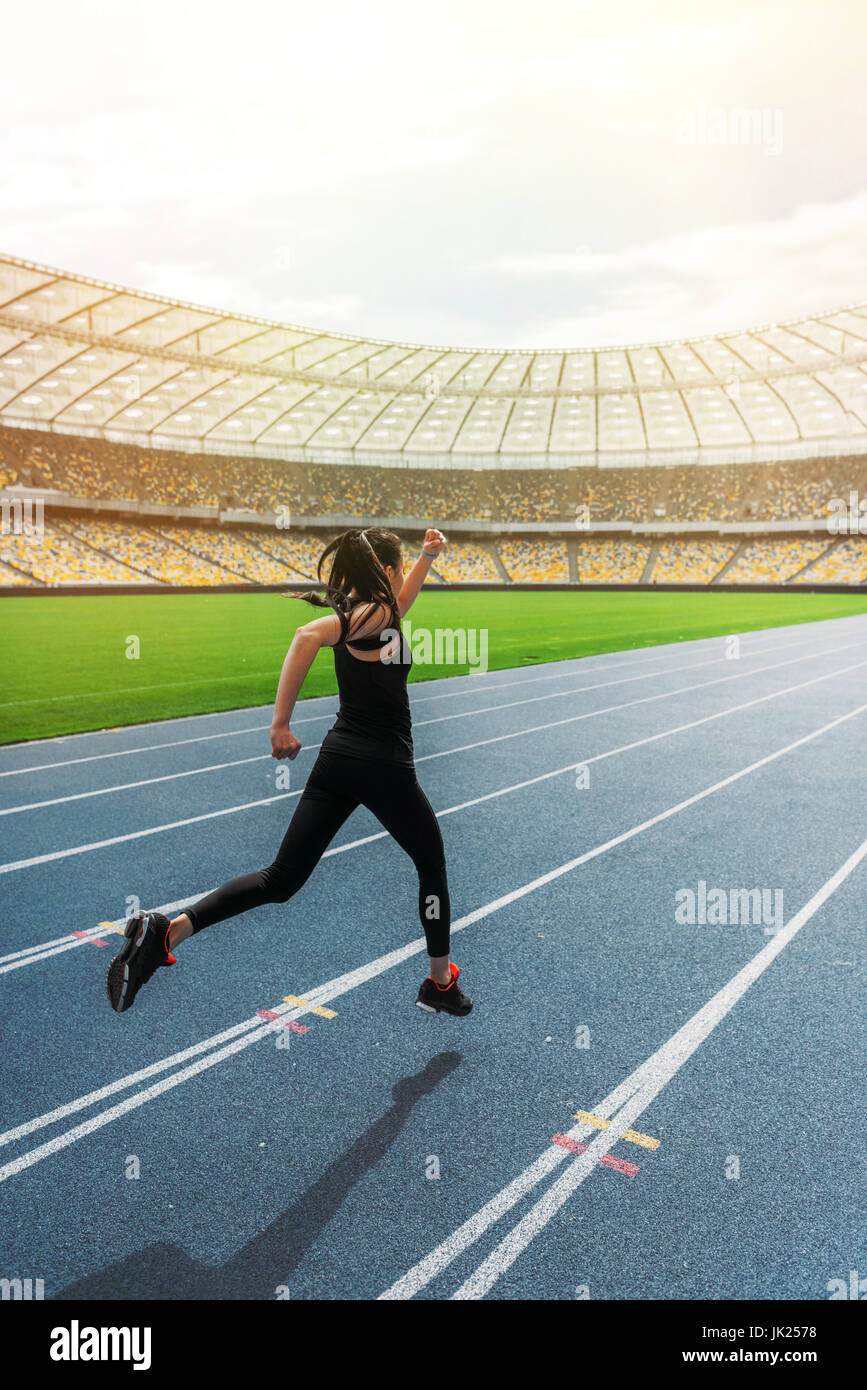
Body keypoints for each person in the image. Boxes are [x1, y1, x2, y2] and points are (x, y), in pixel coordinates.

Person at [106, 526, 472, 1018]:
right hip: (384, 767)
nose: (404, 574)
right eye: (403, 564)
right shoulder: (376, 615)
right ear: (386, 570)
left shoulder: (363, 613)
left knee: (280, 880)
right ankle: (440, 981)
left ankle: (166, 932)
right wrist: (280, 723)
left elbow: (398, 605)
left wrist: (426, 558)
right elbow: (306, 636)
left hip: (338, 761)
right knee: (431, 864)